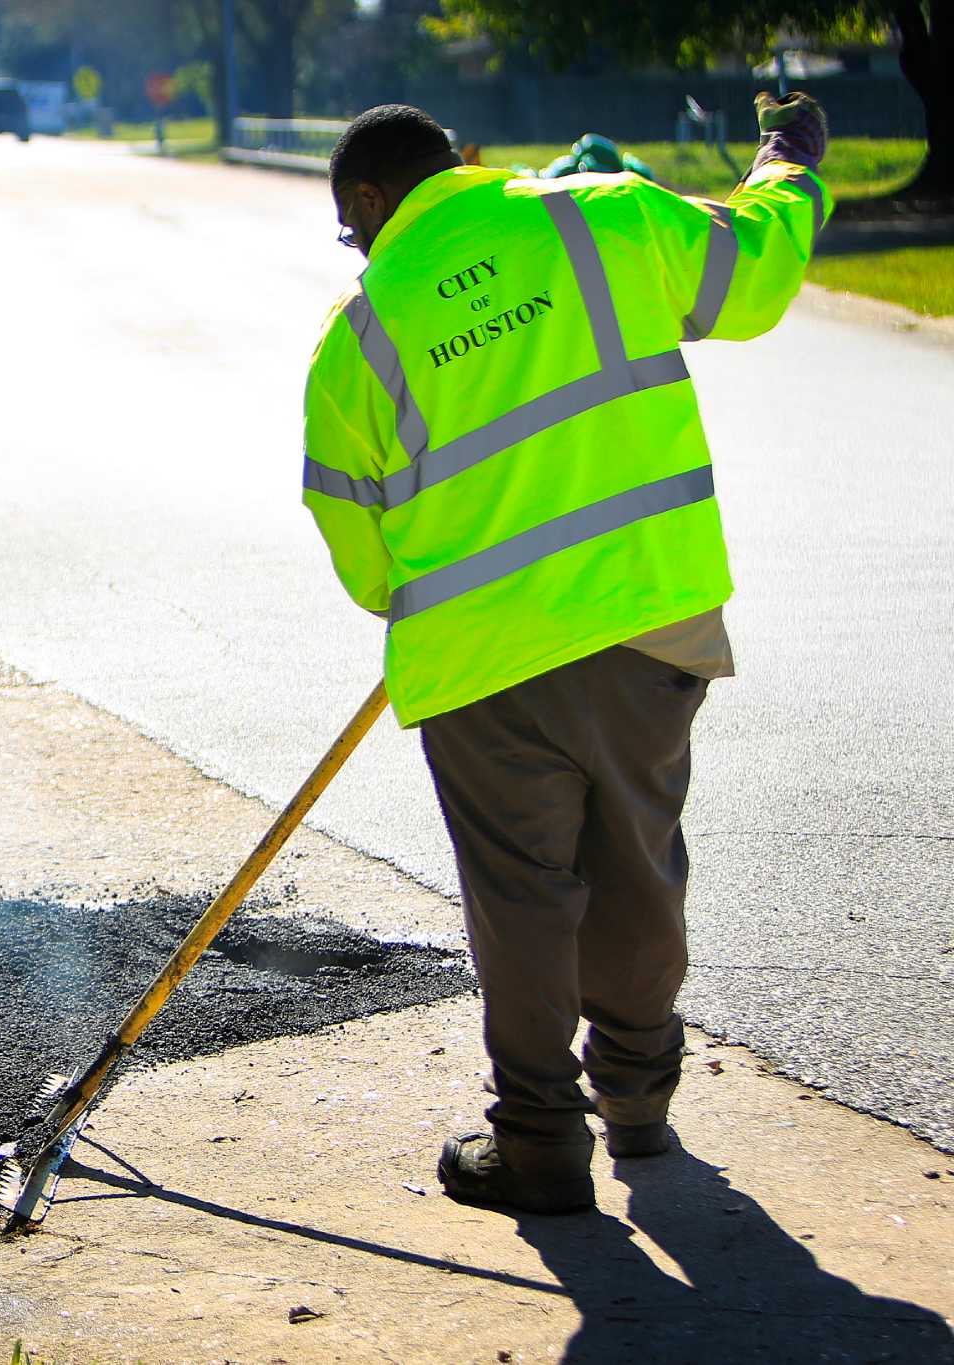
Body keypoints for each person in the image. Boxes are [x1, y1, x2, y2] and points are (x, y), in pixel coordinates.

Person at [301, 99, 827, 1214]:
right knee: (637, 863)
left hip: (483, 668)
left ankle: (538, 1146)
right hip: (646, 622)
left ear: (364, 200)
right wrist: (786, 168)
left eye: (351, 230)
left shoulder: (357, 334)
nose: (357, 248)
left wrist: (435, 591)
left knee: (521, 901)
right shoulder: (600, 218)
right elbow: (753, 275)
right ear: (460, 164)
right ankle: (636, 1107)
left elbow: (358, 550)